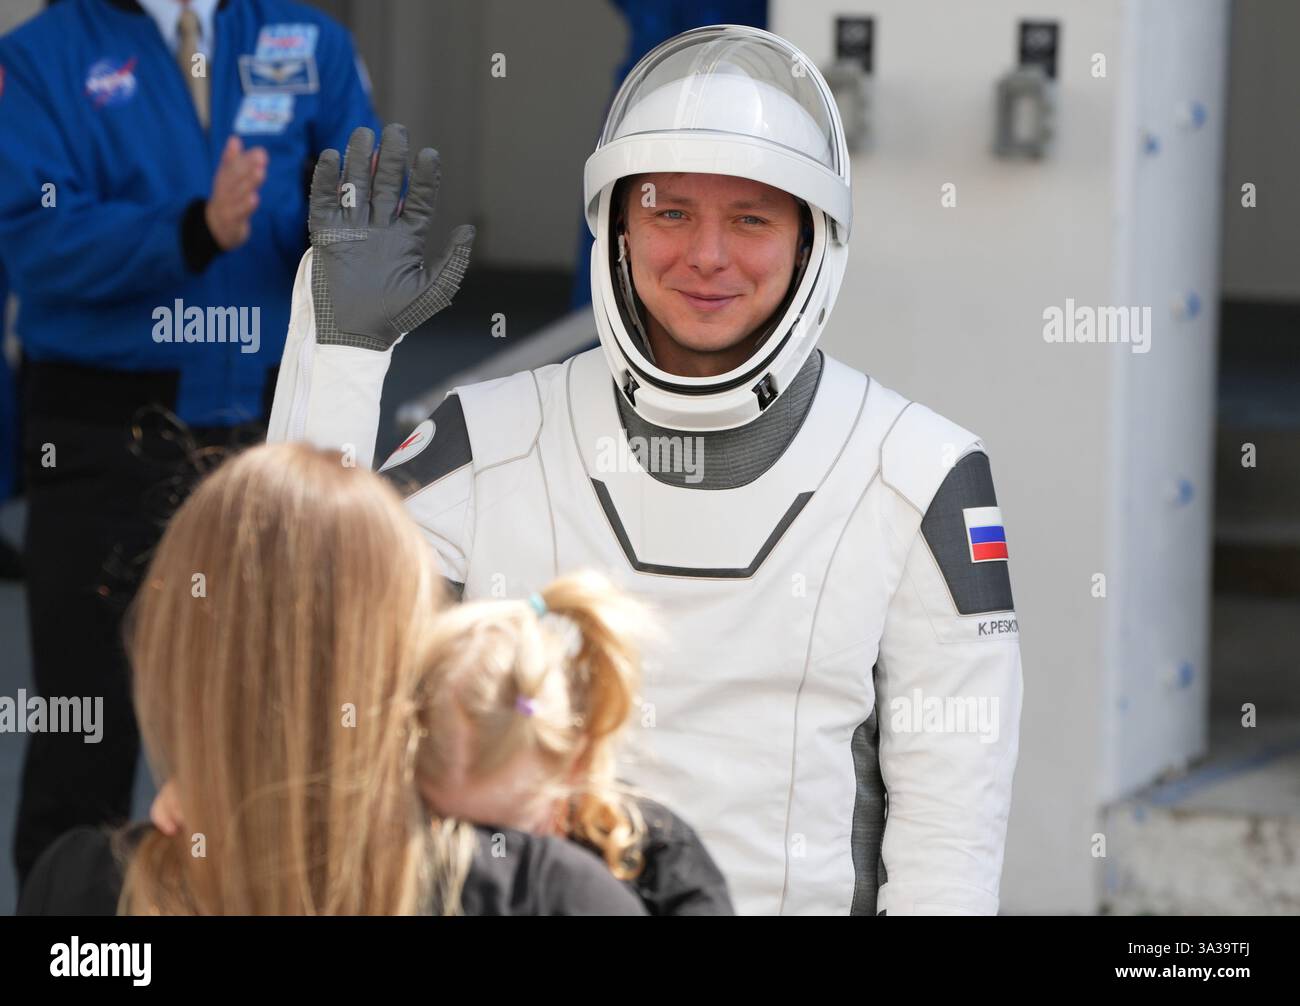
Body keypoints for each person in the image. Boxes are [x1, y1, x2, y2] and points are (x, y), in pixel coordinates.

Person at [269, 25, 1024, 915]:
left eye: (750, 218)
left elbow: (950, 842)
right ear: (617, 226)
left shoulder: (921, 472)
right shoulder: (492, 435)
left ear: (813, 241)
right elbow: (306, 654)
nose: (706, 255)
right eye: (670, 212)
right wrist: (341, 359)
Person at [0, 0, 380, 886]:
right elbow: (32, 243)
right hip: (99, 438)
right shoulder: (37, 57)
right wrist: (190, 230)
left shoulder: (310, 41)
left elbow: (363, 205)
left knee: (269, 720)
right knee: (83, 731)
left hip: (265, 430)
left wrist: (357, 233)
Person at [17, 442, 646, 916]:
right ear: (416, 652)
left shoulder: (84, 888)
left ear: (173, 655)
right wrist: (594, 813)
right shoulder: (546, 893)